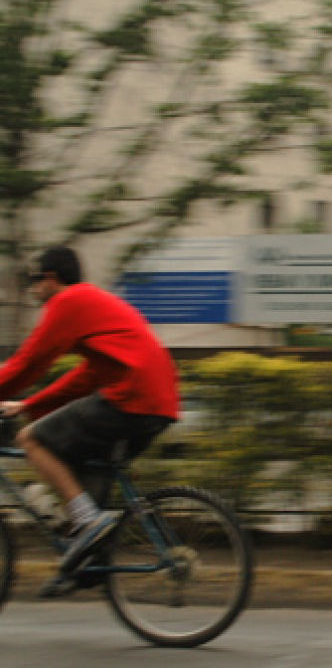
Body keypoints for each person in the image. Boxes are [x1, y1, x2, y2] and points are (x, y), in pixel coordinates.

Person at [0, 246, 179, 591]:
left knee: (32, 440)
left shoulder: (67, 302)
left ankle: (87, 522)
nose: (34, 291)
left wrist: (21, 403)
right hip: (159, 402)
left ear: (51, 279)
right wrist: (28, 404)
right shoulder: (93, 304)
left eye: (34, 282)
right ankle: (86, 565)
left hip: (131, 397)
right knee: (86, 466)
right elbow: (86, 377)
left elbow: (29, 362)